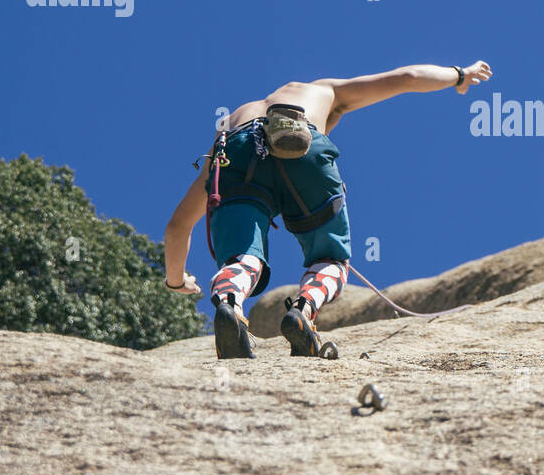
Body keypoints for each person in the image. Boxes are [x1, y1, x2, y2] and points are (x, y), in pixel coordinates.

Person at [164, 61, 493, 358]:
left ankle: (230, 301)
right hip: (302, 142)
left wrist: (177, 281)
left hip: (236, 151)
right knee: (331, 260)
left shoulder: (232, 121)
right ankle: (303, 310)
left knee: (242, 257)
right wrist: (459, 75)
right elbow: (408, 77)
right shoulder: (323, 91)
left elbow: (178, 226)